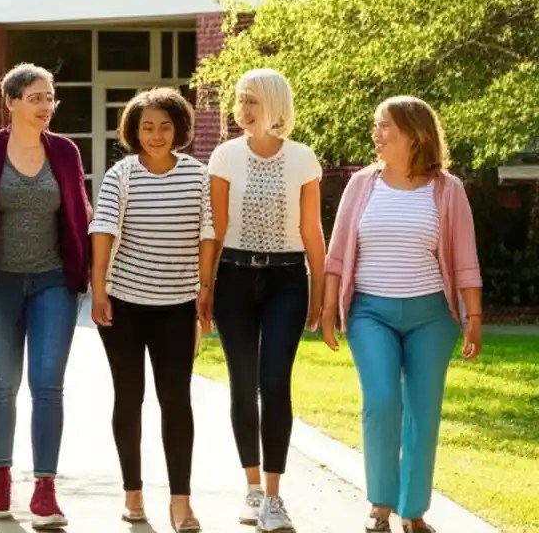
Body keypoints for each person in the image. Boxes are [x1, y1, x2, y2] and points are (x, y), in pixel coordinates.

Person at [321, 97, 482, 533]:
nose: (377, 134)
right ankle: (380, 505)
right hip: (370, 312)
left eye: (386, 126)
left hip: (432, 315)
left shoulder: (448, 191)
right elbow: (336, 255)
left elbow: (466, 259)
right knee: (382, 402)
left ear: (415, 133)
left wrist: (474, 317)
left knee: (423, 411)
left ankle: (413, 512)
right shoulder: (360, 185)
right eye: (376, 125)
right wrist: (327, 310)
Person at [0, 63, 91, 530]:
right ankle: (0, 479)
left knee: (48, 384)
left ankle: (45, 491)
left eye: (50, 97)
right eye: (36, 97)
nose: (46, 106)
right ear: (11, 101)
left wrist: (85, 272)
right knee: (2, 384)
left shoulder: (66, 153)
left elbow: (79, 212)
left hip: (53, 281)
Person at [205, 68, 326, 533]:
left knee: (275, 381)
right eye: (240, 99)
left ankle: (275, 498)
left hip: (287, 281)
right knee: (242, 381)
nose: (243, 108)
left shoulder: (303, 159)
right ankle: (252, 489)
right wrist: (206, 288)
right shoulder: (224, 156)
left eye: (252, 100)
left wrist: (319, 288)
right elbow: (214, 231)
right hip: (234, 277)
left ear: (275, 104)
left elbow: (311, 229)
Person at [89, 88, 214, 532]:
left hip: (177, 306)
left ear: (179, 129)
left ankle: (181, 502)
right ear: (134, 130)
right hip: (123, 305)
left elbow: (207, 234)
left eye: (164, 126)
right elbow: (103, 229)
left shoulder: (198, 176)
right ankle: (133, 494)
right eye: (147, 127)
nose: (156, 135)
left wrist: (205, 289)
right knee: (130, 397)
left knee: (176, 400)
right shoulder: (121, 174)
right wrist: (98, 289)